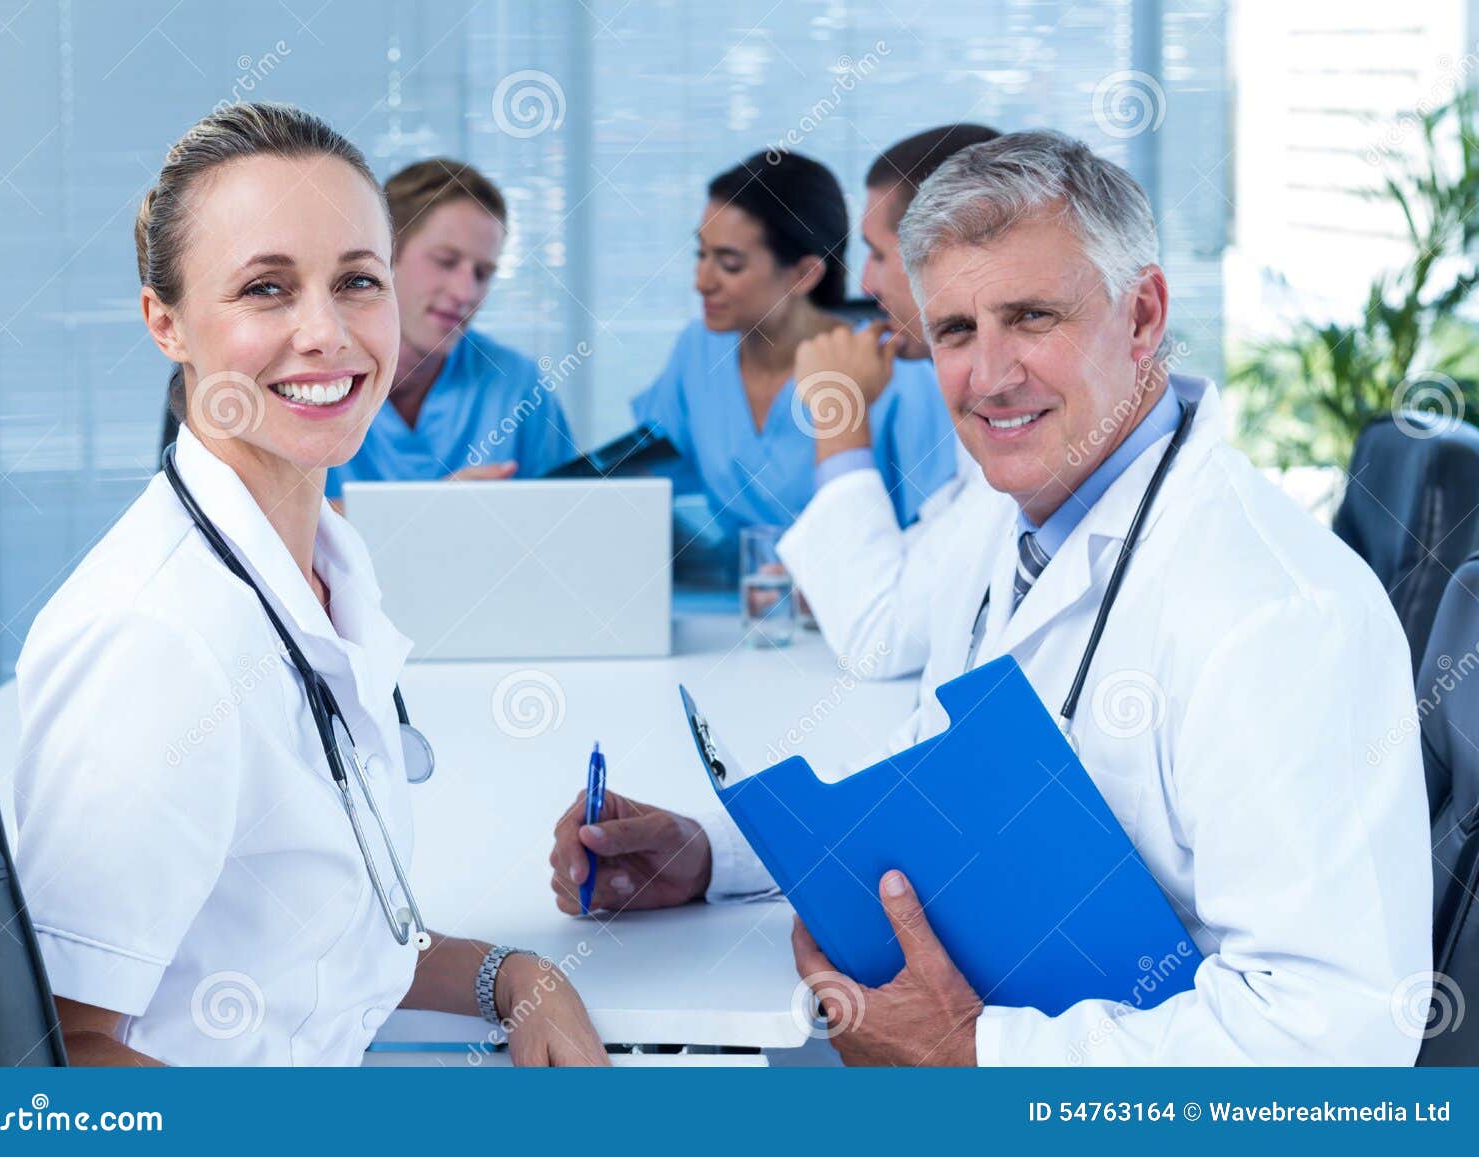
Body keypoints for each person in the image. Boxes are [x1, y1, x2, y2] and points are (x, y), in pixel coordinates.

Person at [549, 131, 1432, 1066]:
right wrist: (708, 854)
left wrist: (978, 1054)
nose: (990, 376)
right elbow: (934, 775)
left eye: (1033, 317)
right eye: (957, 332)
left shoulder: (1278, 615)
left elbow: (1338, 1037)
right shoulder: (1013, 512)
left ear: (1142, 316)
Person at [14, 104, 605, 1067]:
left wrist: (518, 975)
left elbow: (334, 947)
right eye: (266, 288)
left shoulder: (324, 566)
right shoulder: (155, 637)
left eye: (358, 281)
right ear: (166, 322)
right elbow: (56, 1051)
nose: (326, 333)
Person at [631, 150, 957, 563]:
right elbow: (647, 482)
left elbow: (936, 538)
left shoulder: (895, 369)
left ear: (805, 274)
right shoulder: (697, 351)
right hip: (735, 596)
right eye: (701, 254)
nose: (702, 282)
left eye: (729, 264)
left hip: (863, 594)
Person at [787, 124, 999, 676]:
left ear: (946, 253)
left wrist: (838, 416)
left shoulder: (1019, 425)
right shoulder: (977, 411)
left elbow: (878, 638)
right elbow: (926, 570)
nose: (866, 283)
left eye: (879, 254)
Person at [325, 158, 577, 500]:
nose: (465, 293)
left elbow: (566, 517)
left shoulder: (518, 387)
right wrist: (436, 514)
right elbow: (275, 523)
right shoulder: (316, 375)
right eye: (445, 262)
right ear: (384, 255)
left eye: (482, 273)